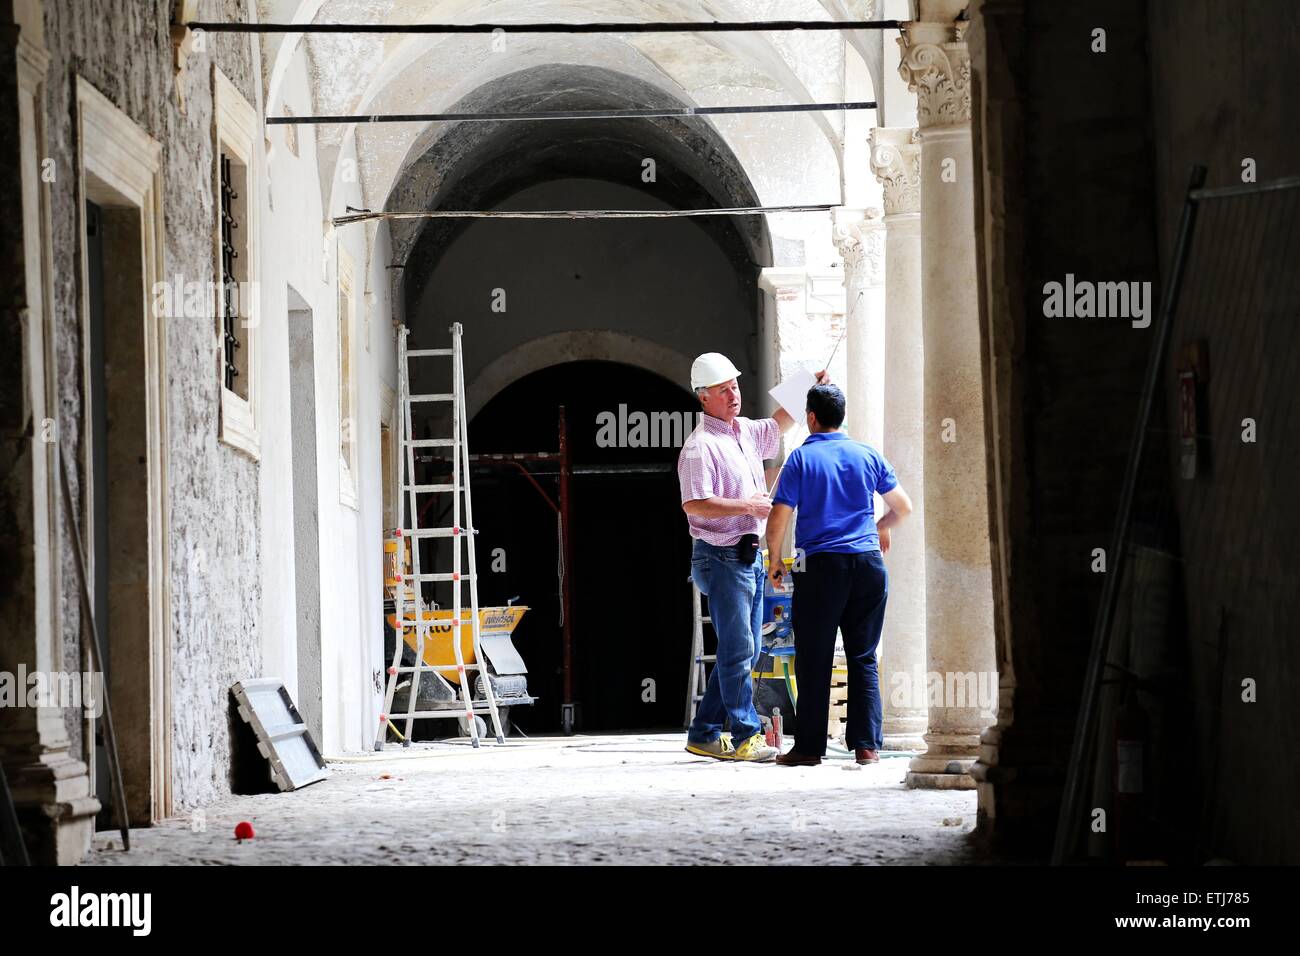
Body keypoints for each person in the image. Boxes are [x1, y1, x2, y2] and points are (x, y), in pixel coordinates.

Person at [678, 352, 828, 762]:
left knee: (740, 649)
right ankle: (746, 734)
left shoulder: (742, 431)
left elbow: (779, 424)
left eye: (736, 386)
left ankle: (705, 731)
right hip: (721, 556)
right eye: (724, 390)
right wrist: (748, 506)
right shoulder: (700, 447)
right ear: (704, 397)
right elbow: (695, 504)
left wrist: (805, 385)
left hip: (747, 557)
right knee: (739, 649)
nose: (733, 395)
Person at [764, 383, 912, 766]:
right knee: (863, 655)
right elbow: (903, 507)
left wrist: (775, 558)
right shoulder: (867, 454)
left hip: (821, 566)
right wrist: (882, 526)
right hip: (867, 565)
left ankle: (809, 749)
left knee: (815, 656)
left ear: (810, 418)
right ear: (841, 417)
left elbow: (780, 513)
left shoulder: (800, 459)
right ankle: (866, 747)